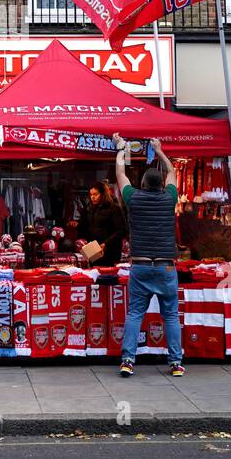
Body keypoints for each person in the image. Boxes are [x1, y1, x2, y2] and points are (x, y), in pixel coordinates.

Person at [113, 134, 184, 378]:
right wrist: (160, 150)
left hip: (141, 265)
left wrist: (121, 149)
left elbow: (120, 174)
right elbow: (172, 171)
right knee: (171, 316)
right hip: (166, 266)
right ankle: (176, 363)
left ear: (142, 183)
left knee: (135, 314)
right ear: (162, 185)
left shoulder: (134, 198)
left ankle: (128, 361)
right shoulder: (169, 198)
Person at [78, 181, 127, 266]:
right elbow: (87, 228)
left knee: (108, 276)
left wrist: (106, 243)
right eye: (91, 194)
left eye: (95, 194)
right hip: (94, 252)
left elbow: (121, 230)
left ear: (103, 194)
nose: (92, 197)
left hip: (110, 252)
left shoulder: (114, 208)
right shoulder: (89, 209)